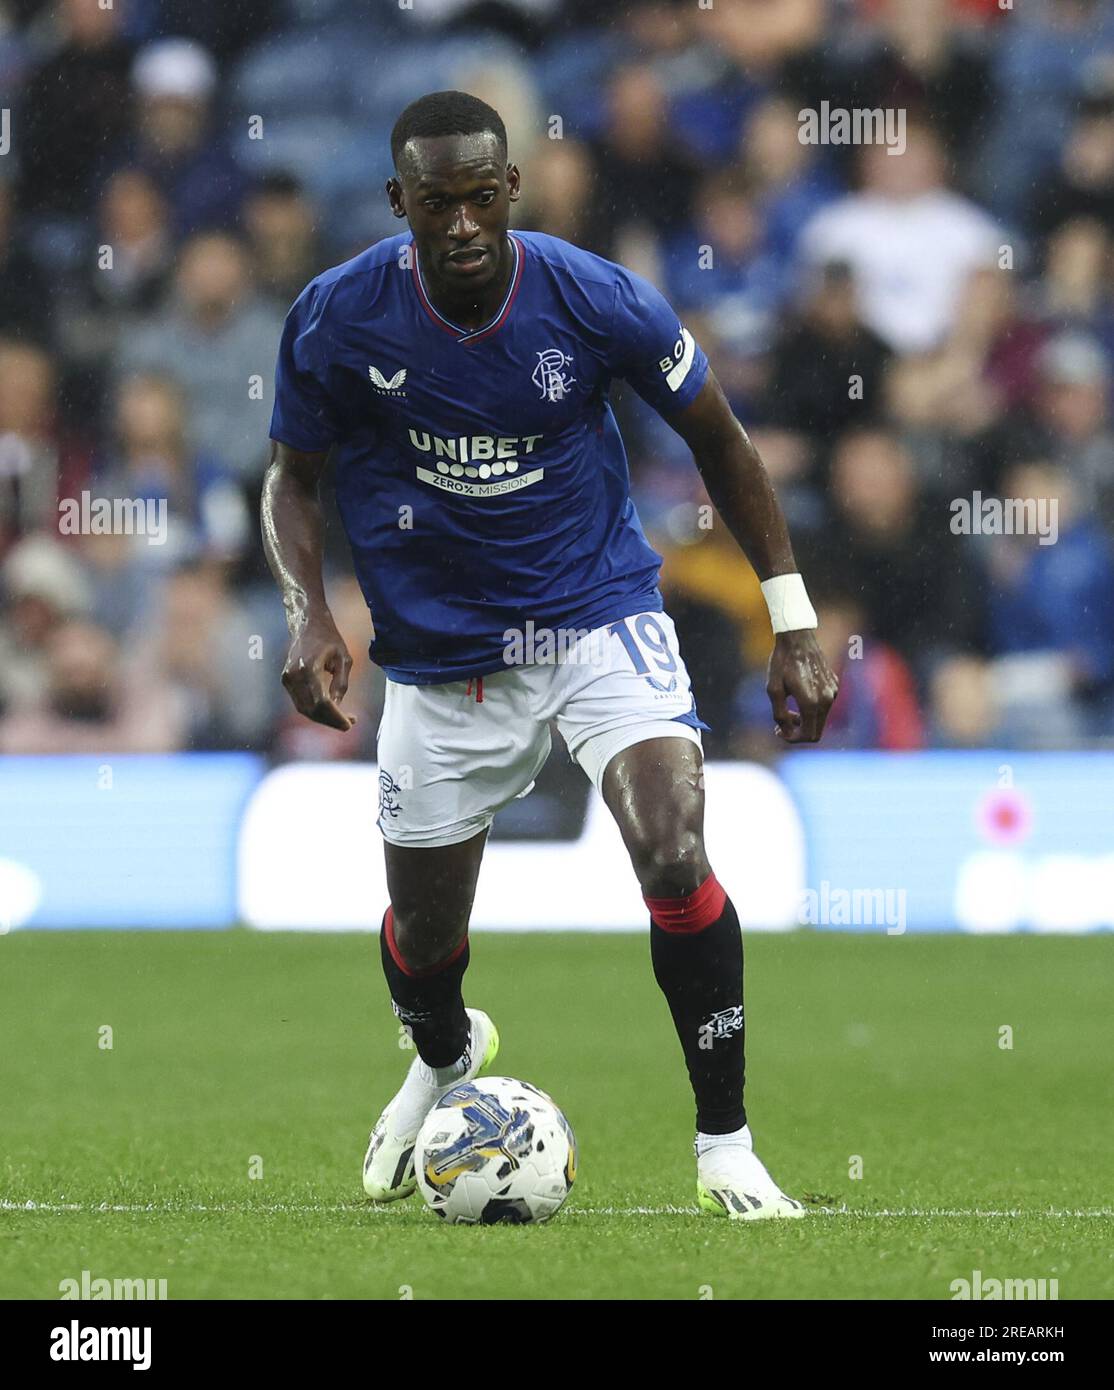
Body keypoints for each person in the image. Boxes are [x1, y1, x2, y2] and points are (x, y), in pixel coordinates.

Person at [262, 91, 837, 1222]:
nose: (465, 222)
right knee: (426, 938)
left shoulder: (592, 296)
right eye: (439, 203)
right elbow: (293, 475)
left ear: (510, 189)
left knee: (671, 849)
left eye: (483, 196)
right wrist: (309, 613)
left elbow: (719, 439)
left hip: (594, 620)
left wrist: (795, 617)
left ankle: (725, 1142)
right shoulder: (338, 318)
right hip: (440, 660)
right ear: (401, 204)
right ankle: (439, 1053)